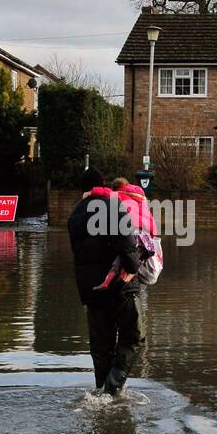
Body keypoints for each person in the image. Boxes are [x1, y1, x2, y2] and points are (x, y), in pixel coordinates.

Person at [68, 168, 144, 395]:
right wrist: (134, 268)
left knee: (102, 346)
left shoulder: (74, 216)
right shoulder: (111, 205)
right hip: (120, 287)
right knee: (134, 336)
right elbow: (128, 244)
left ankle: (102, 392)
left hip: (91, 291)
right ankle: (115, 383)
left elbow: (79, 254)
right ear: (102, 185)